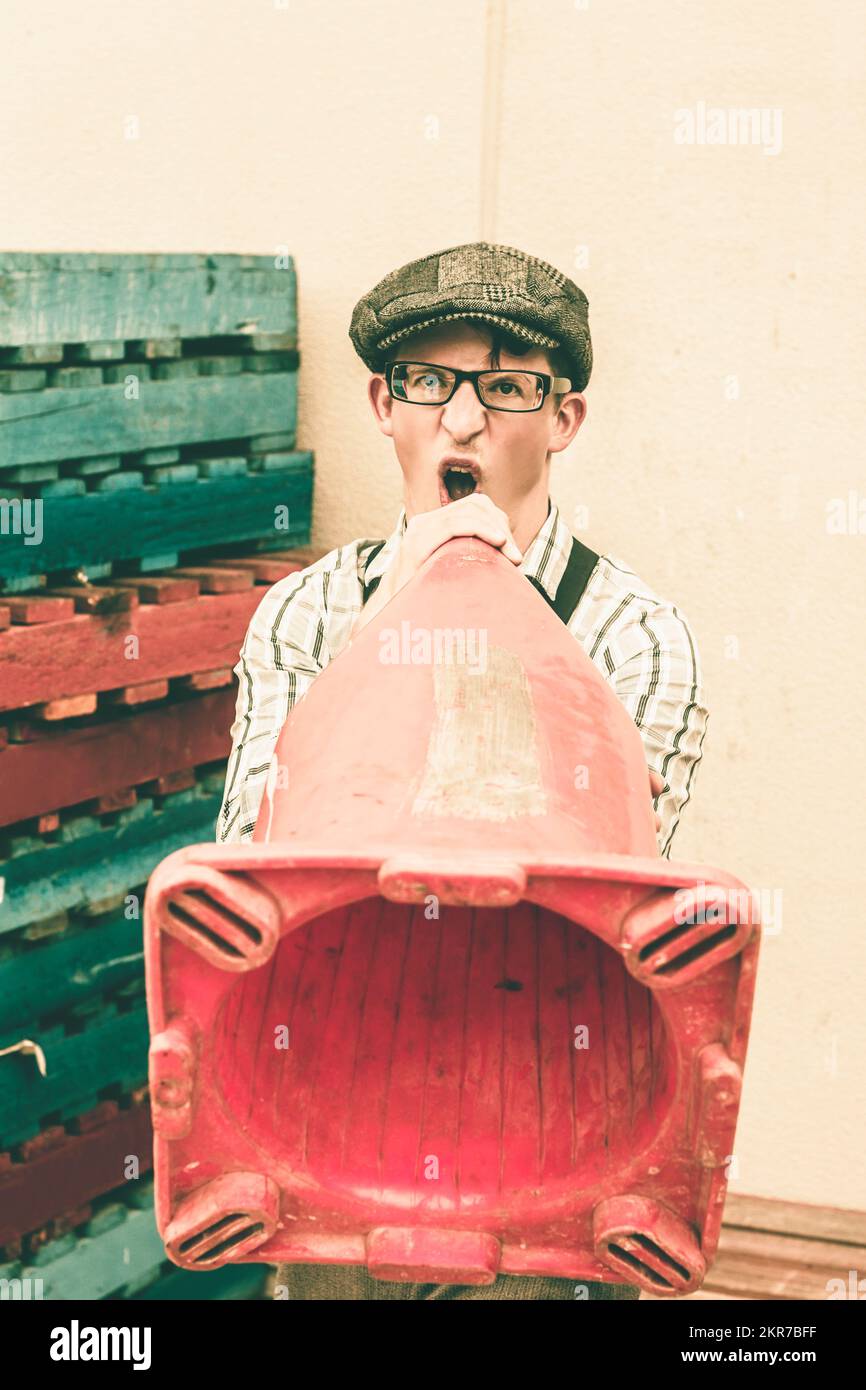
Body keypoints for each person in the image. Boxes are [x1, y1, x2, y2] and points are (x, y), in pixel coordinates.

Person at [217, 242, 709, 1301]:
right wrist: (402, 605)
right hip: (336, 1113)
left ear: (560, 419)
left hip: (547, 1115)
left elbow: (603, 897)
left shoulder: (636, 636)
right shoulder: (302, 616)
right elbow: (258, 865)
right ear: (383, 404)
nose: (463, 417)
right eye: (429, 380)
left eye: (505, 386)